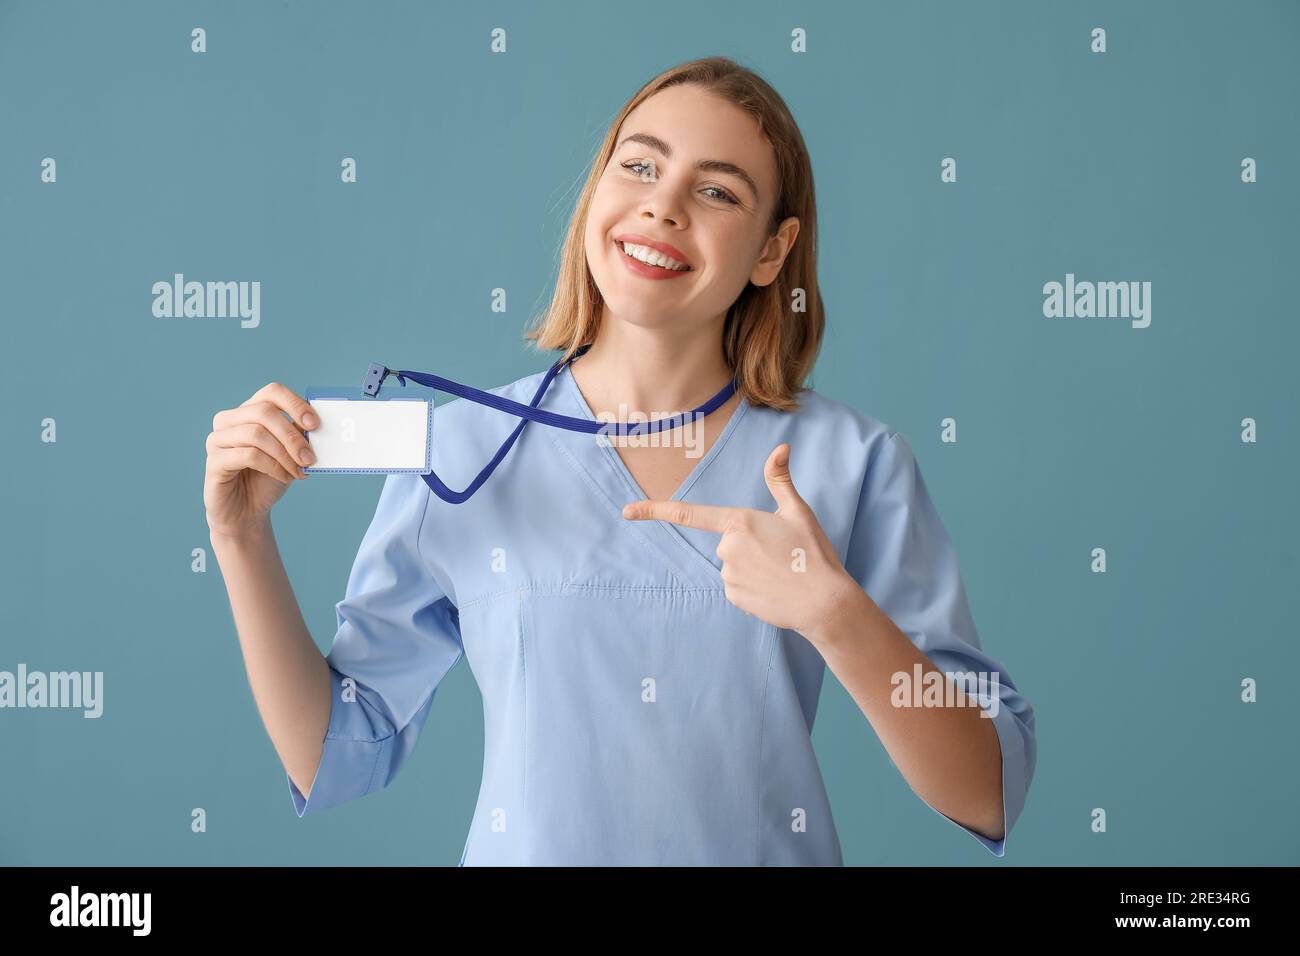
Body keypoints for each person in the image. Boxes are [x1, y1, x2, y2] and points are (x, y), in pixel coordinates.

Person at [205, 56, 1036, 866]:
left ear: (771, 254)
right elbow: (339, 751)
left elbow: (985, 791)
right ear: (598, 192)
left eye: (716, 191)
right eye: (638, 167)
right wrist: (243, 540)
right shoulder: (459, 451)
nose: (663, 208)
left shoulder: (852, 464)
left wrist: (839, 617)